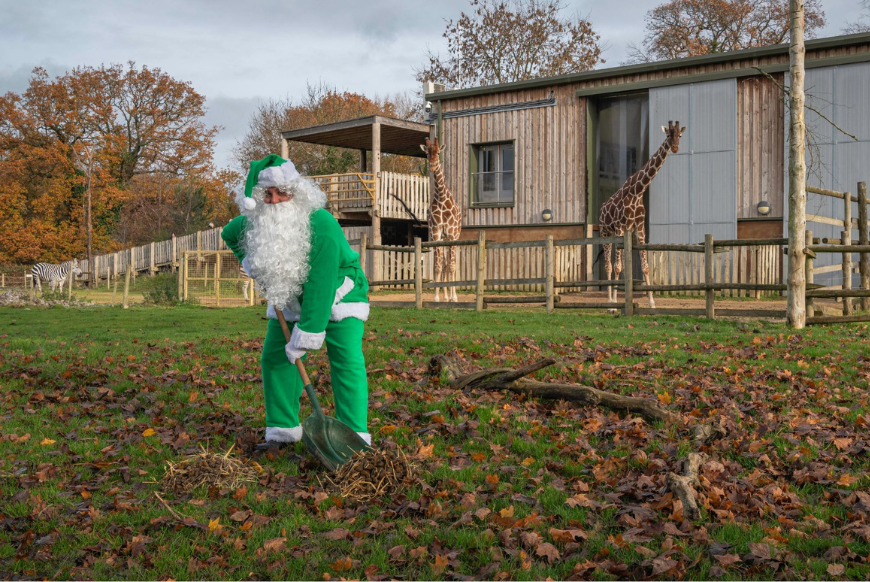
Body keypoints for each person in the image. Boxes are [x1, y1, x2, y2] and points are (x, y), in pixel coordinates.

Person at [221, 154, 370, 450]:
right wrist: (250, 262)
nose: (275, 200)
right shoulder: (255, 221)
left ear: (297, 193)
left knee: (346, 359)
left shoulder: (322, 224)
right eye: (268, 194)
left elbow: (321, 283)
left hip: (340, 291)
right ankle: (283, 432)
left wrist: (305, 335)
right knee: (274, 358)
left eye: (282, 192)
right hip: (288, 294)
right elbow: (229, 233)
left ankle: (354, 437)